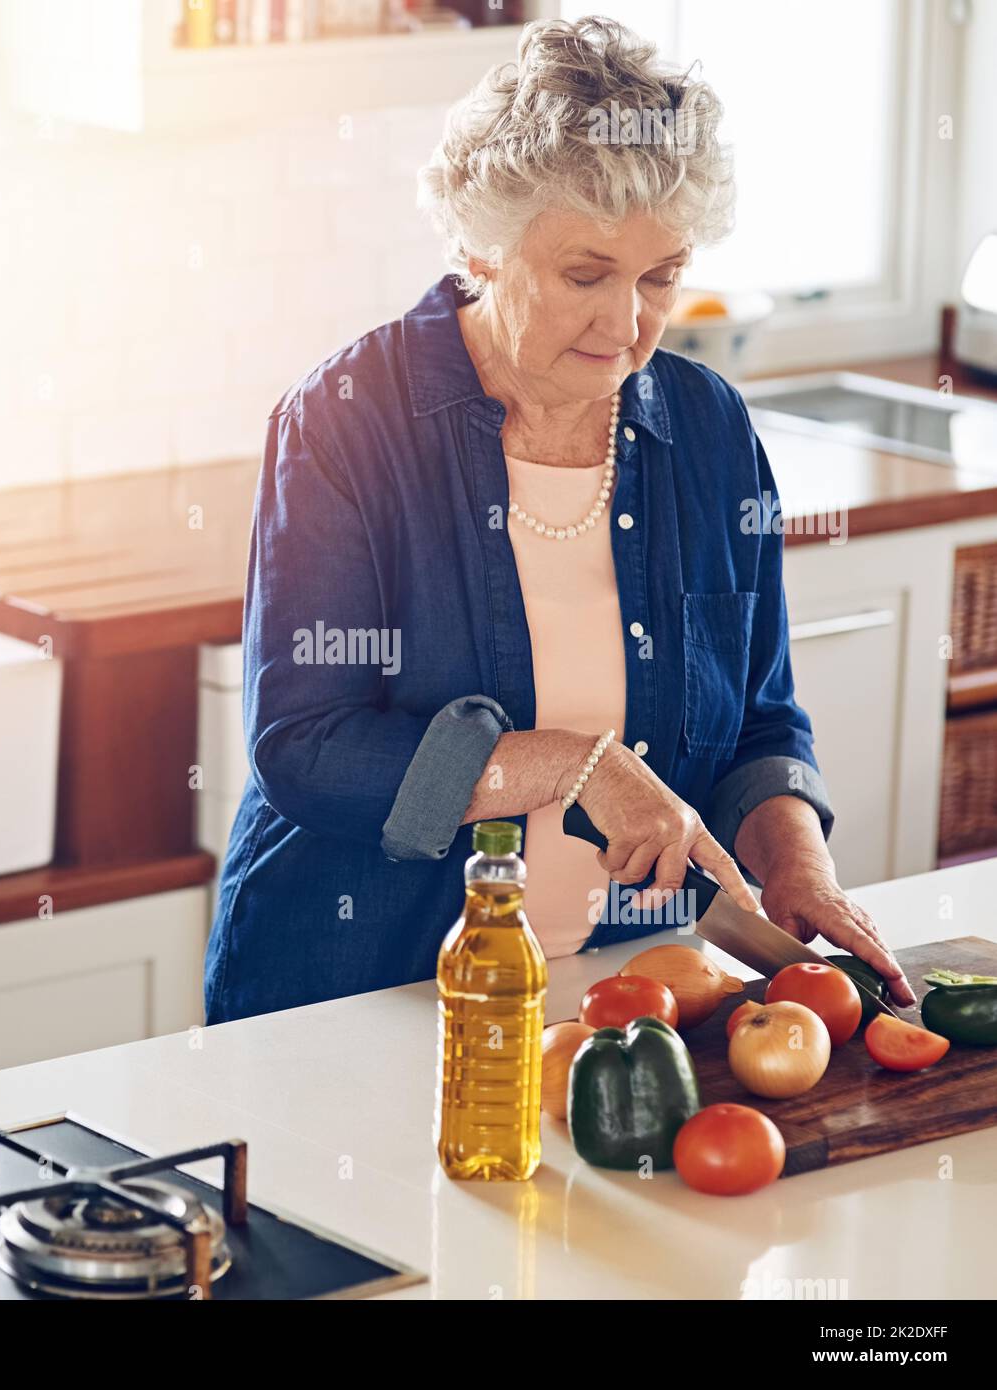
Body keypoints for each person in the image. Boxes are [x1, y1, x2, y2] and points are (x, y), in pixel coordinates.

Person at [204, 16, 913, 1024]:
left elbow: (759, 714)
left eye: (660, 276)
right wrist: (573, 763)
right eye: (586, 275)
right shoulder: (346, 423)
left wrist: (795, 861)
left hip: (620, 1007)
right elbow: (307, 748)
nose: (627, 324)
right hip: (353, 997)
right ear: (482, 250)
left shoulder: (706, 430)